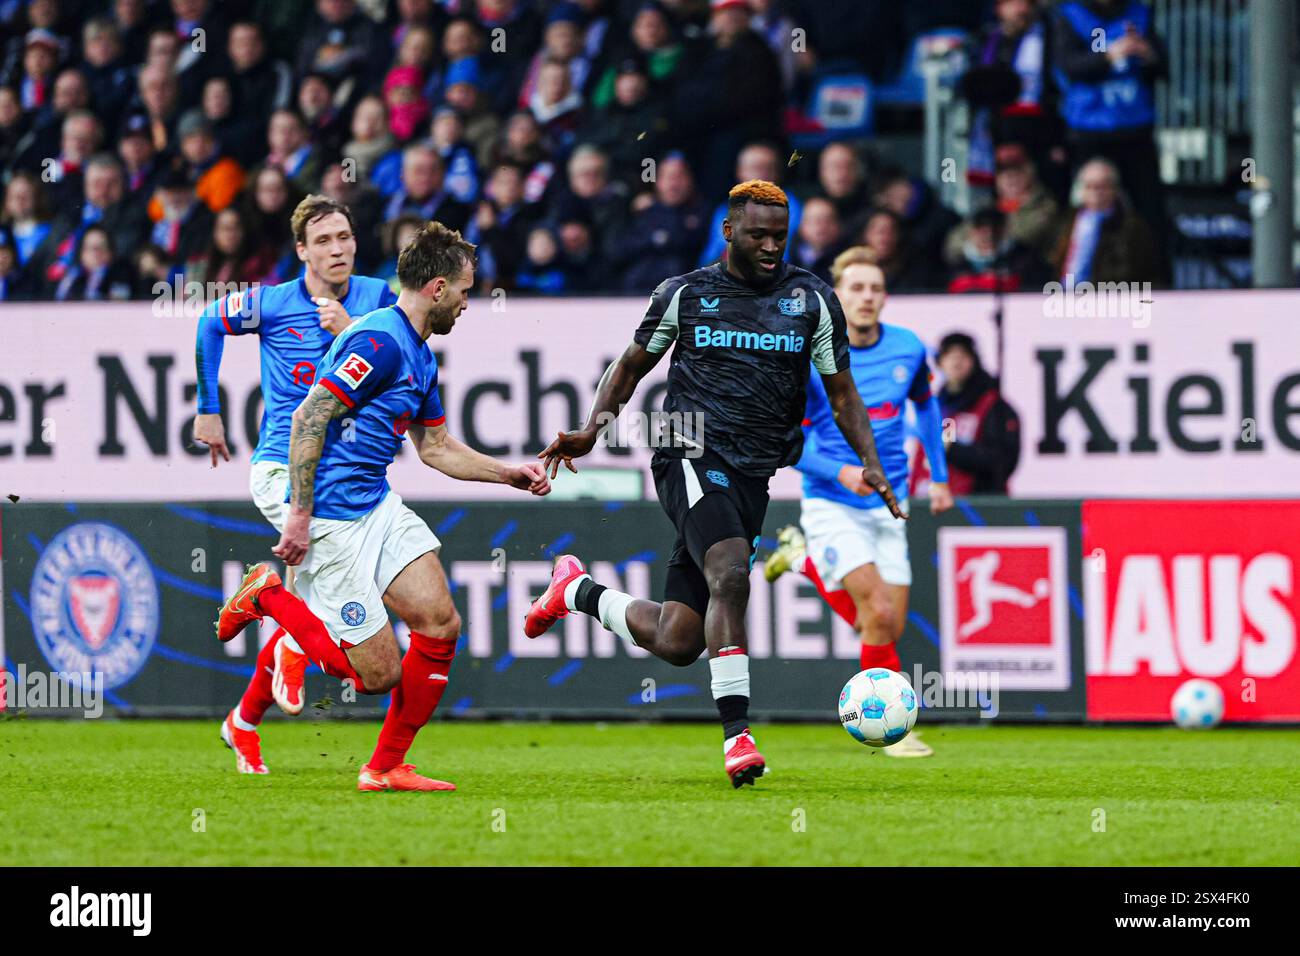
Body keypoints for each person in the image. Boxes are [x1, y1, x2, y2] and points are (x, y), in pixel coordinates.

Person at [524, 180, 903, 788]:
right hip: (687, 447)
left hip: (753, 471)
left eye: (780, 236)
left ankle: (576, 592)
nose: (771, 246)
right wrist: (591, 431)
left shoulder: (811, 300)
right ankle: (738, 737)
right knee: (729, 570)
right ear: (729, 232)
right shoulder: (686, 294)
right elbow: (629, 366)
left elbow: (842, 393)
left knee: (679, 639)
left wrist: (872, 459)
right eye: (758, 235)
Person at [214, 221, 551, 792]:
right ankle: (267, 595)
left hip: (374, 502)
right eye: (467, 292)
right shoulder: (380, 342)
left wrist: (508, 474)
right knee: (376, 676)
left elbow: (435, 447)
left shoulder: (418, 354)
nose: (469, 304)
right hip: (331, 512)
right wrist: (299, 515)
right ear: (438, 288)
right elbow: (309, 416)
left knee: (440, 624)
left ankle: (385, 766)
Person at [192, 195, 398, 775]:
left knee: (313, 609)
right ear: (302, 251)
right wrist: (209, 408)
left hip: (345, 473)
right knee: (331, 635)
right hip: (283, 469)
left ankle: (243, 720)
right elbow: (210, 320)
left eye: (345, 237)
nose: (337, 249)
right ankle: (273, 611)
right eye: (324, 241)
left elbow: (406, 359)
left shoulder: (378, 297)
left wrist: (355, 329)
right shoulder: (275, 303)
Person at [764, 246, 952, 758]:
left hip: (892, 504)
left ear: (885, 297)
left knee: (881, 624)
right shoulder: (810, 359)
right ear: (837, 295)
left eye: (875, 289)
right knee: (879, 608)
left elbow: (927, 406)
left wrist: (938, 475)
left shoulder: (909, 348)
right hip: (831, 501)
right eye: (856, 289)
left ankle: (801, 560)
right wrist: (841, 471)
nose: (867, 298)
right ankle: (892, 733)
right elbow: (786, 443)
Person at [910, 332, 1022, 497]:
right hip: (936, 503)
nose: (956, 362)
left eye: (963, 356)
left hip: (978, 507)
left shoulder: (993, 406)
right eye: (950, 356)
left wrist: (952, 448)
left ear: (974, 362)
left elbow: (1001, 461)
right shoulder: (936, 407)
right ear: (940, 363)